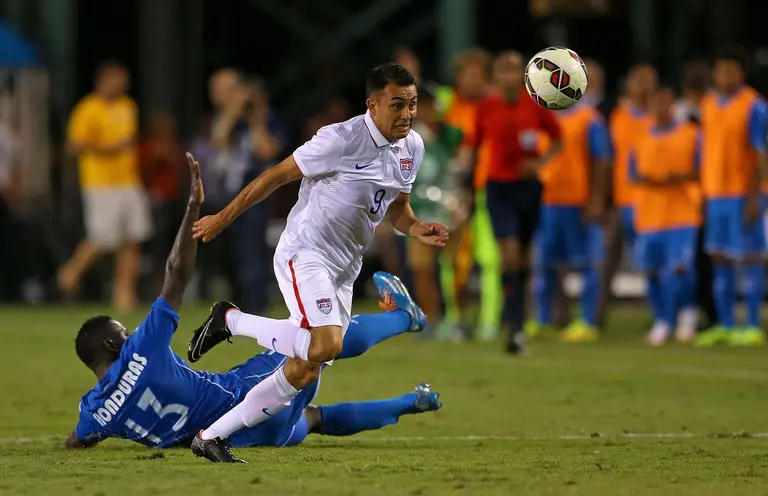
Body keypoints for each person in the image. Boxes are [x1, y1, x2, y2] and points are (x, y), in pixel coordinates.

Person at [65, 153, 440, 454]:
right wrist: (192, 209)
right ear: (113, 344)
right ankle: (405, 318)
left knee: (313, 419)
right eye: (123, 332)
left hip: (253, 437)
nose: (131, 333)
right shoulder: (140, 352)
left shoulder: (94, 413)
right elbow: (176, 276)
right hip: (248, 393)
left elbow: (77, 440)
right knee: (318, 341)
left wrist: (92, 427)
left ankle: (412, 402)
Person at [188, 63, 448, 462]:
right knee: (327, 345)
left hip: (345, 268)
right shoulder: (339, 139)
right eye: (397, 105)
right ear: (373, 105)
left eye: (411, 104)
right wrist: (223, 218)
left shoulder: (412, 146)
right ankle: (231, 321)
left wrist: (417, 228)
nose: (407, 114)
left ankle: (211, 437)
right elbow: (275, 176)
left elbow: (398, 208)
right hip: (307, 253)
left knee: (304, 370)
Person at [469, 51, 562, 354]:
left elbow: (557, 139)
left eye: (514, 71)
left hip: (528, 188)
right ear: (496, 77)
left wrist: (540, 163)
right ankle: (514, 324)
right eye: (504, 71)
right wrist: (467, 185)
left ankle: (520, 322)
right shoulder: (486, 107)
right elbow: (474, 147)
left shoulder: (535, 105)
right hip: (499, 188)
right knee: (508, 255)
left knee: (523, 257)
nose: (509, 77)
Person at [58, 60, 151, 312]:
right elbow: (73, 145)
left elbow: (129, 142)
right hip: (100, 183)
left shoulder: (127, 106)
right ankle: (70, 272)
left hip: (129, 181)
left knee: (133, 237)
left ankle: (124, 294)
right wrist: (106, 148)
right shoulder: (88, 108)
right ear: (102, 81)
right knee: (102, 239)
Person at [531, 60, 611, 343]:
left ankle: (587, 321)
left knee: (587, 263)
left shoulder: (590, 119)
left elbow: (602, 162)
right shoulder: (542, 117)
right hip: (548, 202)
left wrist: (596, 200)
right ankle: (542, 319)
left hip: (579, 202)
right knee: (546, 263)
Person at [695, 48, 768, 347]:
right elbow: (705, 152)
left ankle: (752, 324)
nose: (724, 76)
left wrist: (755, 197)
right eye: (720, 70)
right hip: (715, 195)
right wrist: (704, 194)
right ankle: (725, 324)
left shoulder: (755, 106)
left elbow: (761, 155)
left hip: (743, 194)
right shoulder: (708, 104)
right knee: (719, 257)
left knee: (750, 258)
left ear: (742, 73)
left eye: (731, 70)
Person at [629, 87, 702, 345]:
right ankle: (662, 319)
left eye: (666, 104)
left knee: (679, 268)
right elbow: (632, 173)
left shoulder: (691, 134)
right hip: (650, 215)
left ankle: (686, 313)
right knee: (651, 271)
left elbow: (702, 169)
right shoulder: (641, 137)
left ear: (673, 106)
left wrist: (678, 177)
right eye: (656, 104)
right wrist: (648, 178)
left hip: (681, 212)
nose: (661, 109)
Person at [441, 48, 501, 342]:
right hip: (452, 189)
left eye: (478, 75)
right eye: (467, 75)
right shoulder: (446, 104)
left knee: (489, 258)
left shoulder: (496, 106)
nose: (472, 81)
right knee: (452, 258)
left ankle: (489, 321)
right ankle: (455, 318)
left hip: (487, 188)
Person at [600, 64, 657, 322]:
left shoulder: (659, 117)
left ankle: (662, 316)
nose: (643, 86)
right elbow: (609, 158)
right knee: (605, 260)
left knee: (652, 262)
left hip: (651, 202)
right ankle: (596, 315)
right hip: (620, 199)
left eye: (648, 81)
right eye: (638, 80)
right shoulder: (618, 116)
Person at [408, 85, 466, 337]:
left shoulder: (451, 135)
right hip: (420, 211)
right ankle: (430, 320)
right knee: (424, 269)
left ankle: (457, 319)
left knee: (455, 268)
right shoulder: (408, 139)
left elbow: (464, 165)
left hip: (451, 208)